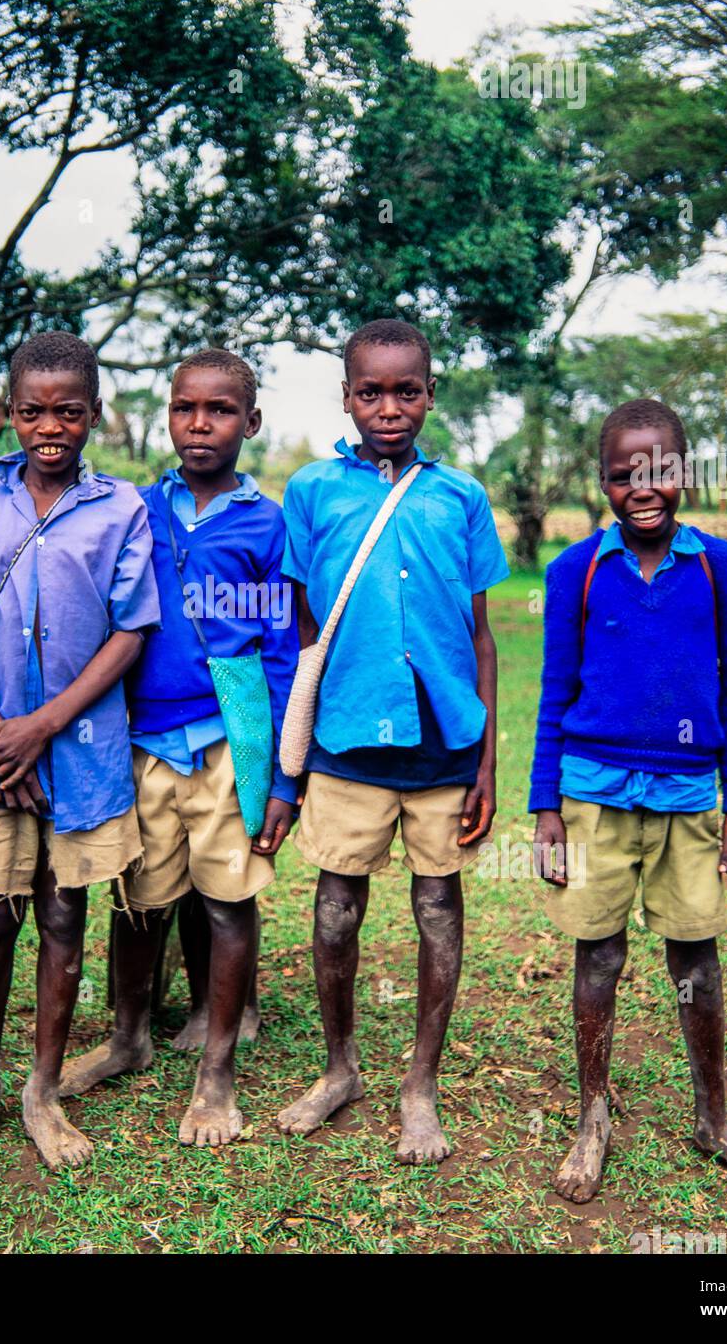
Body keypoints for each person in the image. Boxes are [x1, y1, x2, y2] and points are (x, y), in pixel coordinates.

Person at [530, 397, 727, 1202]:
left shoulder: (724, 570)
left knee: (696, 959)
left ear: (683, 473)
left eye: (657, 472)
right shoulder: (575, 571)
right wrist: (544, 809)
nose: (640, 489)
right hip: (594, 795)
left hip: (687, 797)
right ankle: (592, 1116)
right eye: (620, 475)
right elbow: (553, 693)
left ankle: (713, 1119)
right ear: (602, 482)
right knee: (598, 954)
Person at [0, 330, 158, 1172]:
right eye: (31, 411)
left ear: (95, 415)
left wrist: (43, 724)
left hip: (81, 754)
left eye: (68, 412)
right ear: (8, 414)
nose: (49, 427)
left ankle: (41, 1091)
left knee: (63, 915)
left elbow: (130, 634)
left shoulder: (121, 509)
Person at [276, 318, 508, 1164]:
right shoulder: (312, 491)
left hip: (445, 747)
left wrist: (487, 758)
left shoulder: (462, 498)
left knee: (437, 905)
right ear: (346, 396)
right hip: (345, 742)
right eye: (370, 391)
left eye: (406, 390)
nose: (388, 406)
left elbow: (482, 639)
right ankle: (340, 1068)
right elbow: (303, 620)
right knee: (337, 907)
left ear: (430, 395)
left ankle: (421, 1083)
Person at [60, 348, 297, 1145]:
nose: (201, 424)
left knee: (229, 901)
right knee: (137, 902)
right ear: (167, 414)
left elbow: (279, 649)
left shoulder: (267, 523)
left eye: (221, 411)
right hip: (142, 740)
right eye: (186, 408)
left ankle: (218, 1073)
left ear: (250, 422)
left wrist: (280, 777)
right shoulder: (135, 509)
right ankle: (128, 1036)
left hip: (230, 744)